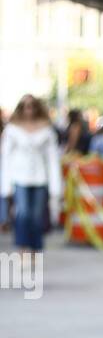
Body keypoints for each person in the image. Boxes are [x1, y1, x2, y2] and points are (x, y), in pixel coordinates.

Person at [0, 94, 62, 253]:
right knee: (23, 213)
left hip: (40, 178)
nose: (29, 109)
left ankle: (35, 247)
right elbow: (6, 157)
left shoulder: (46, 129)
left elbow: (53, 159)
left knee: (36, 214)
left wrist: (56, 186)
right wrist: (5, 185)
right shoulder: (12, 128)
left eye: (32, 105)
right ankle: (22, 247)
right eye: (25, 105)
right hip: (19, 177)